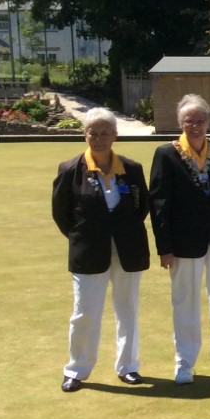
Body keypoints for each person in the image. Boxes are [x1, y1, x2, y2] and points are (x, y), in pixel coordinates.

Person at [149, 93, 210, 384]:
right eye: (189, 121)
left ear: (208, 122)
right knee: (185, 302)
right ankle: (185, 362)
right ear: (180, 122)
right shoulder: (166, 154)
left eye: (200, 120)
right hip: (183, 244)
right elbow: (159, 205)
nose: (195, 126)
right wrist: (164, 247)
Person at [52, 108, 151, 392]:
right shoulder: (70, 169)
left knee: (128, 309)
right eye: (93, 133)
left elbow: (140, 206)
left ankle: (128, 366)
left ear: (115, 136)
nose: (98, 138)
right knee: (85, 312)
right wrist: (84, 236)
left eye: (105, 133)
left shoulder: (132, 169)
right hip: (88, 251)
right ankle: (77, 369)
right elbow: (62, 214)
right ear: (85, 135)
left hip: (127, 250)